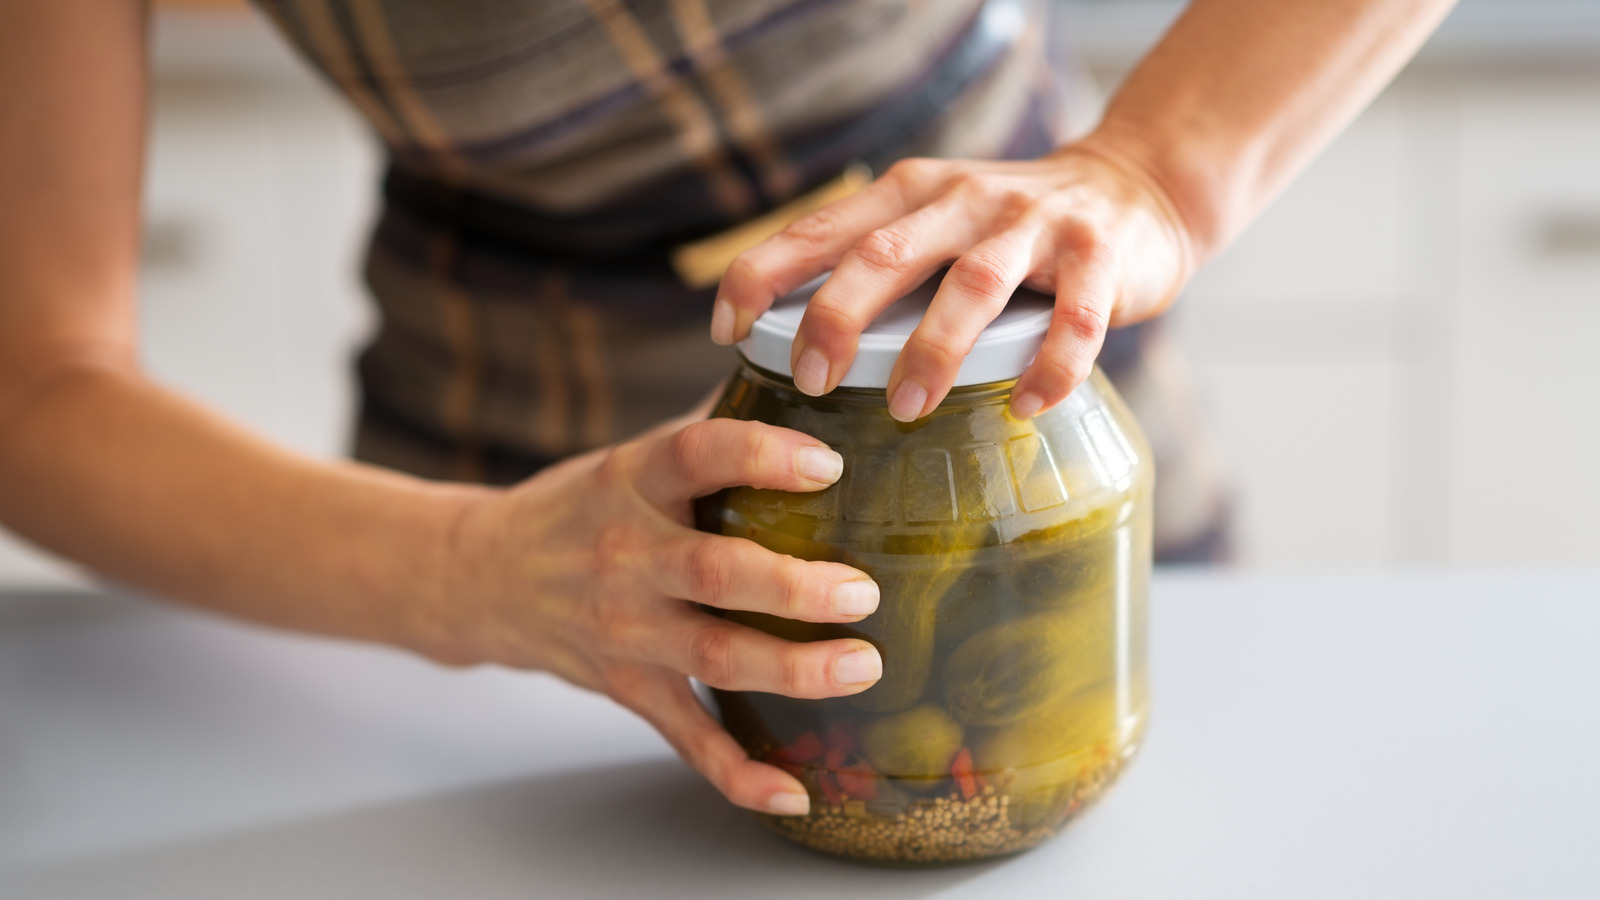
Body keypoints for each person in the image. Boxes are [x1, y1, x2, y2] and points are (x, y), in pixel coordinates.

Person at [0, 0, 1454, 819]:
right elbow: (34, 385)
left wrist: (1156, 172)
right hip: (484, 493)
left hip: (1013, 354)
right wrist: (469, 570)